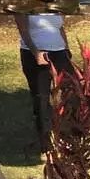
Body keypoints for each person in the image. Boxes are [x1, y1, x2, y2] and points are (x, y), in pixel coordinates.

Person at [13, 10, 70, 155]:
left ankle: (67, 133)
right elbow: (23, 31)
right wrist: (36, 53)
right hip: (35, 53)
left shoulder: (53, 4)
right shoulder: (24, 5)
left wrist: (66, 48)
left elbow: (60, 28)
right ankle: (45, 139)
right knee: (41, 97)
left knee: (70, 92)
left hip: (59, 52)